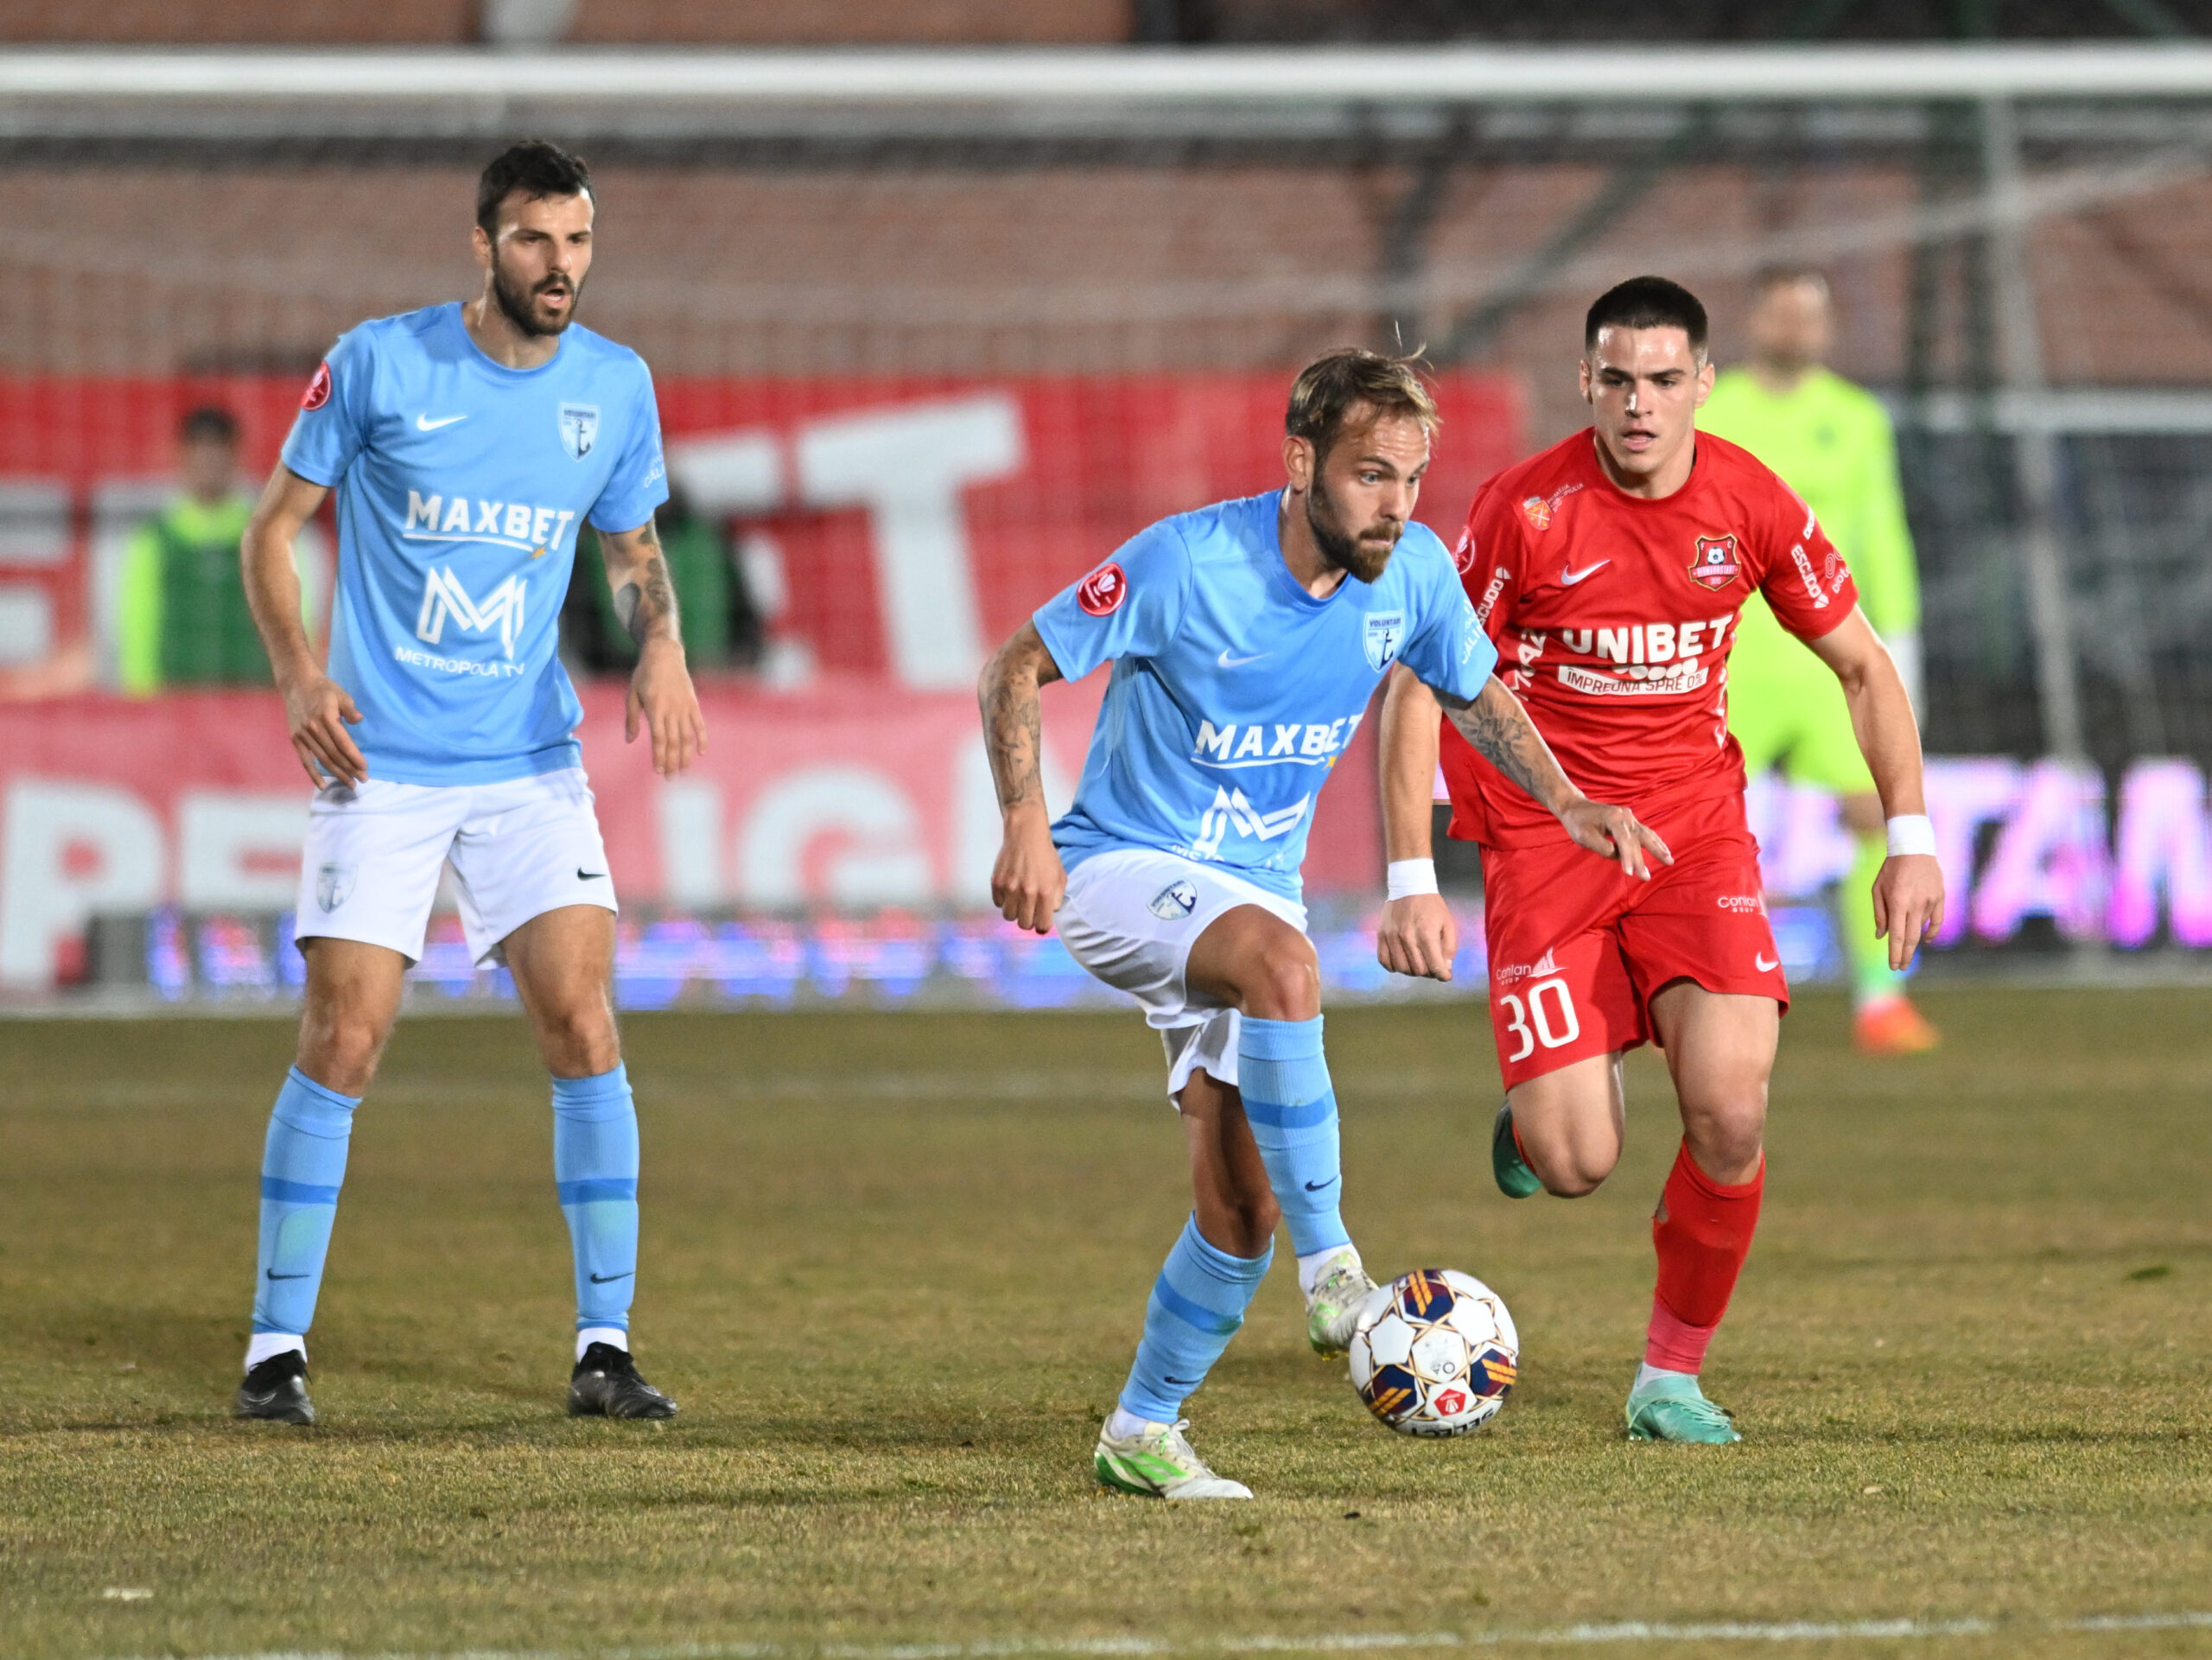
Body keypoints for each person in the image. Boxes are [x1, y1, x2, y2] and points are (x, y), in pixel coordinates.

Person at [979, 347, 1667, 1498]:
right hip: (1122, 866)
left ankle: (1140, 1429)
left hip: (1249, 890)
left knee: (1239, 1211)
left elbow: (1472, 690)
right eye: (1368, 475)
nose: (1393, 504)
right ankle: (1339, 1274)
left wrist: (1567, 798)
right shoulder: (1189, 561)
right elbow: (1014, 668)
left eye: (1410, 477)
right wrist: (1023, 825)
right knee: (1286, 965)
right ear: (1302, 463)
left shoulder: (1413, 577)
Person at [1376, 277, 1943, 1444]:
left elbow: (1863, 666)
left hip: (1693, 835)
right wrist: (1408, 875)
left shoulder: (1750, 502)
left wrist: (1911, 836)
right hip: (1548, 832)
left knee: (1732, 1111)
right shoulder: (1524, 512)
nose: (1641, 405)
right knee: (1577, 1160)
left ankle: (1668, 1378)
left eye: (1665, 380)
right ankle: (1549, 1102)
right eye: (1619, 380)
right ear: (1587, 383)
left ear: (1703, 385)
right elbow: (1420, 681)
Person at [229, 139, 706, 1426]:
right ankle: (276, 1346)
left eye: (581, 241)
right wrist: (297, 672)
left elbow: (628, 546)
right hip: (381, 763)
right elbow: (270, 528)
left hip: (529, 765)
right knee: (345, 1036)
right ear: (484, 245)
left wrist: (658, 642)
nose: (563, 267)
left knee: (584, 1023)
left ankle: (604, 1347)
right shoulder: (382, 364)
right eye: (538, 241)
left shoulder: (613, 388)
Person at [1700, 268, 1938, 1055]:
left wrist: (1898, 645)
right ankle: (1687, 990)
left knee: (1874, 812)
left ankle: (1881, 1000)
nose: (1796, 328)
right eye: (1783, 312)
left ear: (1827, 329)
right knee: (1695, 822)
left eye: (1810, 315)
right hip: (1734, 654)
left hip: (1829, 659)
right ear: (1754, 318)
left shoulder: (1858, 418)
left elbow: (1884, 535)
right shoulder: (1715, 409)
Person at [116, 406, 264, 693]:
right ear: (181, 458)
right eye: (199, 450)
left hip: (253, 705)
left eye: (218, 450)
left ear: (236, 457)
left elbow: (297, 622)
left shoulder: (266, 538)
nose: (209, 461)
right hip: (174, 706)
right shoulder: (155, 540)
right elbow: (138, 627)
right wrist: (141, 696)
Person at [564, 482, 763, 673]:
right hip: (627, 690)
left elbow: (747, 623)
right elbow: (585, 640)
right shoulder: (591, 547)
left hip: (714, 687)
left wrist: (735, 662)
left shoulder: (710, 538)